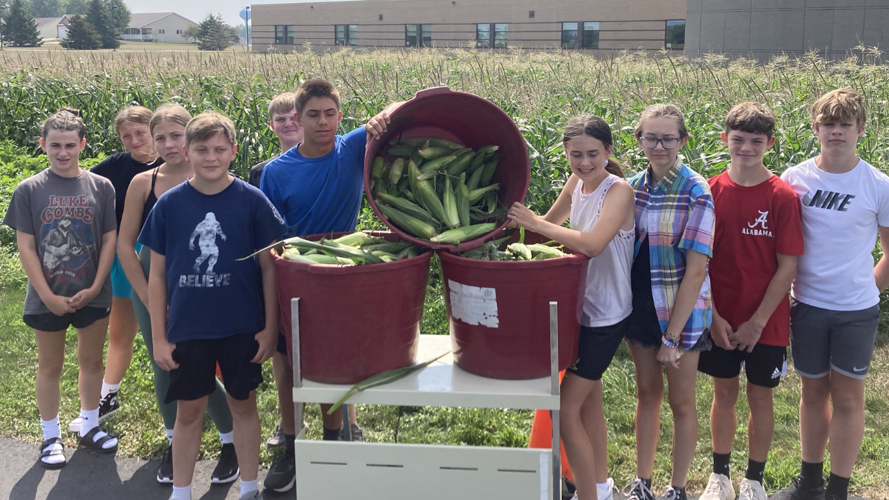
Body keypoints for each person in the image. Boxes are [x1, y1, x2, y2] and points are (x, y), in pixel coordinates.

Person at [139, 112, 286, 500]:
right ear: (186, 152)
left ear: (233, 152)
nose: (210, 157)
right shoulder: (170, 205)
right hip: (189, 328)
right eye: (201, 149)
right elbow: (157, 275)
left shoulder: (252, 201)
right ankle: (181, 491)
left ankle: (250, 488)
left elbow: (270, 268)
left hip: (241, 325)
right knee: (189, 412)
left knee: (243, 405)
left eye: (220, 149)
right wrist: (159, 336)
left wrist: (270, 328)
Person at [257, 79, 394, 492]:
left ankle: (334, 440)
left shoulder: (351, 148)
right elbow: (270, 242)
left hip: (344, 271)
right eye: (313, 115)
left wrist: (387, 111)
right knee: (290, 368)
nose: (322, 122)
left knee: (333, 365)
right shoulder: (276, 174)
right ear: (297, 119)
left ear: (339, 115)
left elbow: (401, 108)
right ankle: (292, 445)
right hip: (296, 274)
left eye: (330, 113)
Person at [507, 115, 635, 500]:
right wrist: (511, 229)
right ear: (564, 152)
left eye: (593, 154)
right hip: (578, 309)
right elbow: (547, 224)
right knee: (589, 401)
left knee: (563, 411)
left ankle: (588, 496)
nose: (584, 163)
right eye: (575, 154)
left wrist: (538, 226)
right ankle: (599, 486)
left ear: (608, 152)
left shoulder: (619, 191)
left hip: (606, 315)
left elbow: (592, 244)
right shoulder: (575, 184)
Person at [773, 88, 889, 500]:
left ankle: (838, 489)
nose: (836, 131)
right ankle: (809, 481)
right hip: (806, 305)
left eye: (845, 124)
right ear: (815, 128)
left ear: (860, 129)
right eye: (828, 123)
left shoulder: (878, 184)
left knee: (848, 398)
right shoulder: (794, 179)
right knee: (812, 393)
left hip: (856, 312)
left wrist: (863, 291)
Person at [118, 104, 237, 485]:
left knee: (204, 359)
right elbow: (125, 245)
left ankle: (230, 441)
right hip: (150, 283)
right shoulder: (144, 182)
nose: (169, 144)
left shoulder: (210, 173)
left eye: (176, 135)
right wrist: (150, 297)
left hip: (198, 281)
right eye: (161, 138)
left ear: (190, 138)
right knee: (166, 364)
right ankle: (174, 443)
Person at [698, 102, 803, 500]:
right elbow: (698, 263)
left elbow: (787, 267)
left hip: (767, 322)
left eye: (755, 141)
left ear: (769, 144)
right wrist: (712, 316)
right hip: (720, 318)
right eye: (738, 139)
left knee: (761, 395)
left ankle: (753, 480)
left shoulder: (782, 196)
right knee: (723, 393)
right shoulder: (708, 191)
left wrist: (758, 321)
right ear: (725, 139)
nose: (746, 148)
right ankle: (719, 476)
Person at [3, 108, 119, 468]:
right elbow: (26, 246)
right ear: (43, 145)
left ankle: (89, 425)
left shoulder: (101, 187)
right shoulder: (30, 189)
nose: (63, 152)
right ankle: (50, 435)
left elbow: (108, 239)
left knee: (92, 361)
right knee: (50, 365)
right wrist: (48, 295)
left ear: (83, 144)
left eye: (70, 145)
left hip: (92, 291)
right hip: (46, 295)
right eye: (55, 145)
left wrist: (98, 284)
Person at [622, 104, 715, 500]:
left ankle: (677, 487)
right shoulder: (629, 187)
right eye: (650, 137)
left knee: (681, 401)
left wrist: (672, 338)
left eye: (668, 138)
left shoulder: (696, 191)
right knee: (647, 394)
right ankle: (642, 481)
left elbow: (696, 270)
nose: (659, 146)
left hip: (679, 313)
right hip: (640, 306)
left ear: (683, 141)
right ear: (638, 139)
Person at [72, 105, 163, 432]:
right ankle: (108, 395)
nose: (135, 140)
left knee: (181, 330)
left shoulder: (175, 164)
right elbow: (78, 185)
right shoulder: (112, 167)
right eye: (127, 136)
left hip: (167, 256)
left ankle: (203, 394)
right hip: (125, 256)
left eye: (141, 132)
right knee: (121, 333)